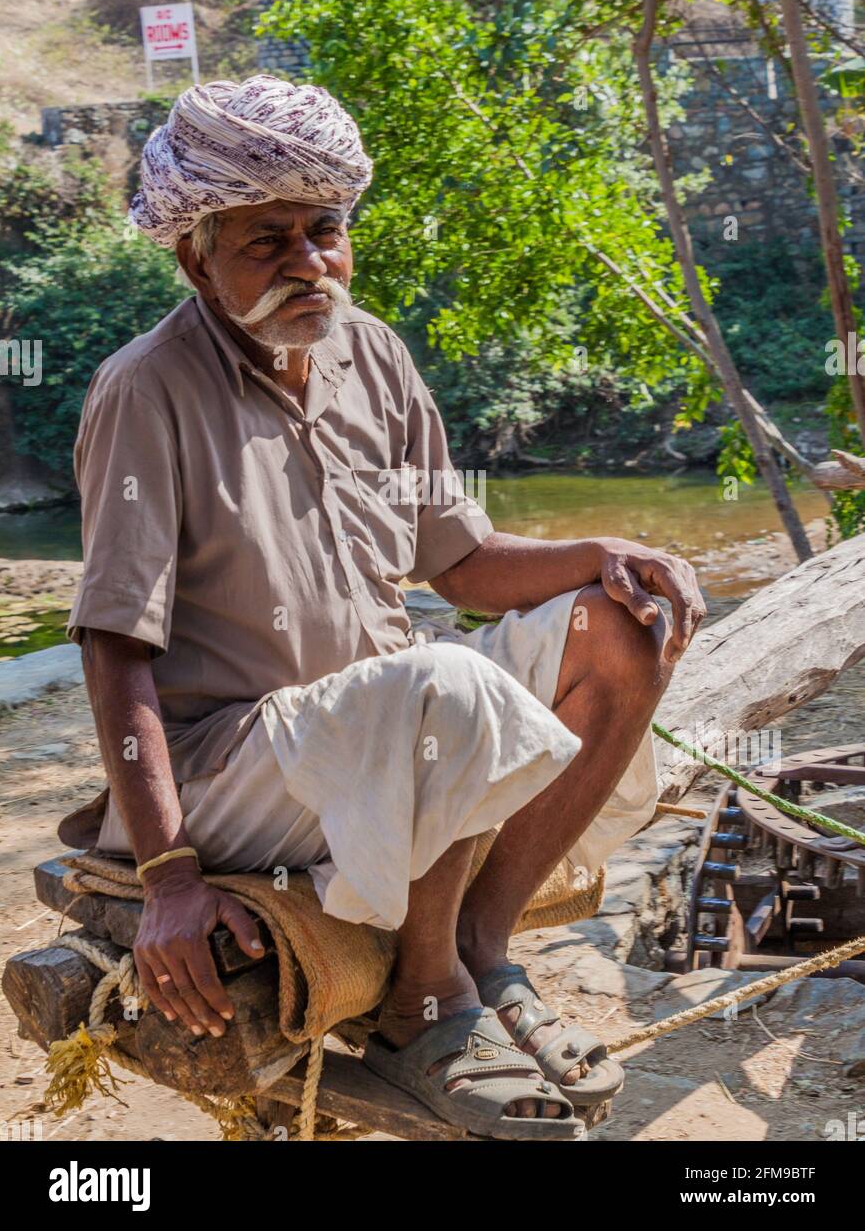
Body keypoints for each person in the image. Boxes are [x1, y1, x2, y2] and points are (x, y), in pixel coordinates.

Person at [62, 75, 705, 1139]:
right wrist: (172, 879)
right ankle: (421, 1009)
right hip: (233, 766)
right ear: (196, 257)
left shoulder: (374, 356)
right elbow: (115, 650)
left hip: (389, 730)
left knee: (618, 627)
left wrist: (604, 553)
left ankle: (476, 949)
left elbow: (459, 563)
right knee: (445, 683)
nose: (308, 262)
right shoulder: (146, 389)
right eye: (267, 242)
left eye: (324, 230)